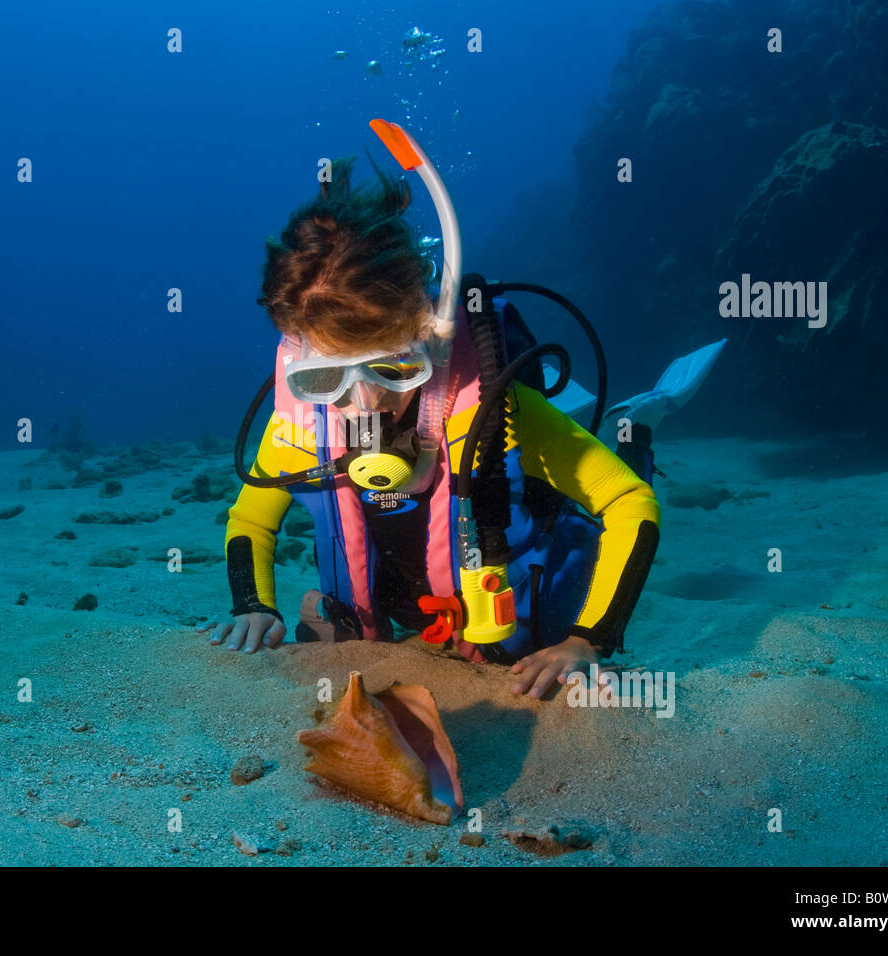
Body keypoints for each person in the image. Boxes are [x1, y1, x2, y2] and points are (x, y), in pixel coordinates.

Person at [207, 152, 662, 700]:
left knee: (605, 475)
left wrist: (589, 639)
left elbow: (630, 502)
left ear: (429, 339)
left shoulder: (498, 413)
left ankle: (635, 428)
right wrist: (253, 606)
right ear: (294, 361)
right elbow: (251, 521)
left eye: (392, 368)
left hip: (523, 602)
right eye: (326, 377)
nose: (365, 404)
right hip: (416, 609)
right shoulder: (300, 429)